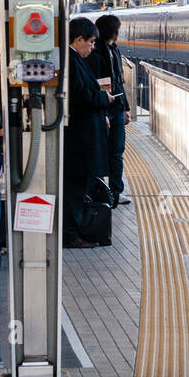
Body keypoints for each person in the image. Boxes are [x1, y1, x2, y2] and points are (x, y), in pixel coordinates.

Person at [63, 18, 112, 248]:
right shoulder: (72, 62)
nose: (92, 48)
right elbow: (79, 97)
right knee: (75, 186)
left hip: (82, 137)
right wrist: (104, 98)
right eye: (90, 42)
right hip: (80, 139)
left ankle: (74, 230)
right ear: (79, 39)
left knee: (78, 186)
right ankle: (71, 234)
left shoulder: (74, 59)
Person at [86, 14, 130, 206]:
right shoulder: (96, 55)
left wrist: (126, 107)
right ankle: (101, 191)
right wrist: (103, 112)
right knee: (103, 151)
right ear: (113, 31)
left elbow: (119, 81)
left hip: (117, 107)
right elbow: (101, 84)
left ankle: (115, 190)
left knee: (117, 151)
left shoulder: (114, 51)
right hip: (105, 108)